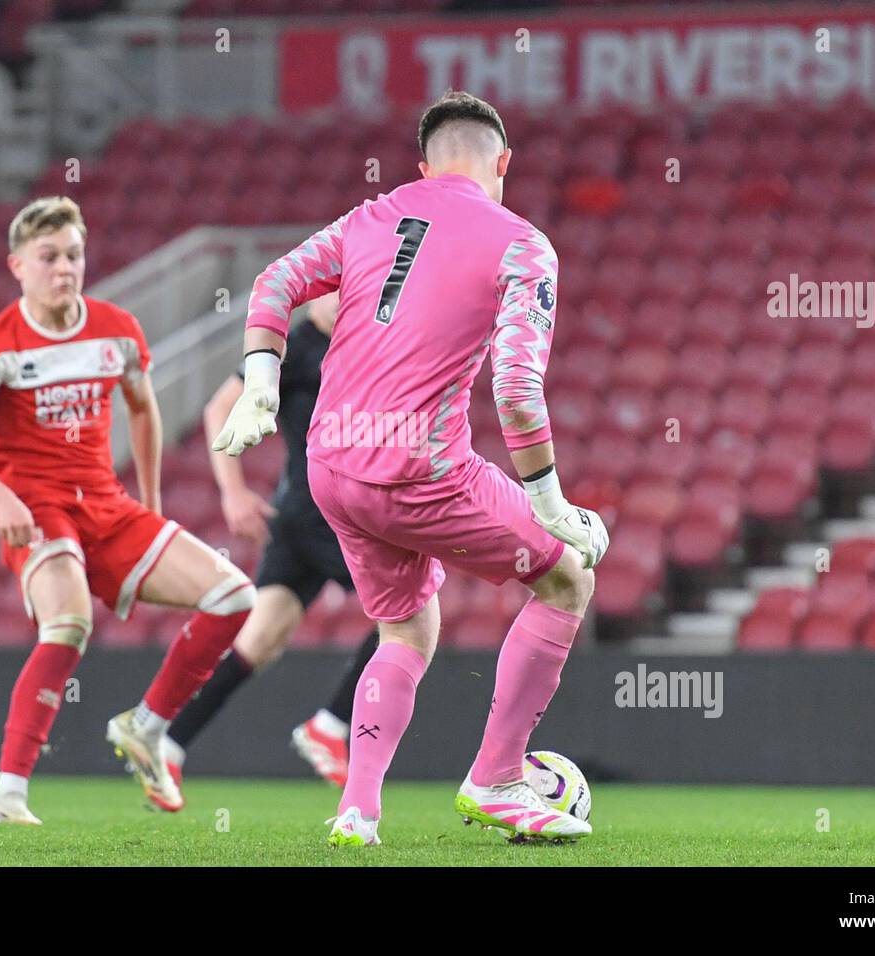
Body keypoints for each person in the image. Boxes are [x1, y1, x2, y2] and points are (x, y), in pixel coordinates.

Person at [213, 91, 610, 847]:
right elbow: (518, 390)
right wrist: (553, 506)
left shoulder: (369, 217)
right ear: (504, 164)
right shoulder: (522, 244)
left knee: (405, 628)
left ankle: (358, 811)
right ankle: (496, 779)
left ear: (424, 166)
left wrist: (262, 381)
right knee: (568, 579)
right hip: (420, 468)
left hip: (329, 466)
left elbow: (272, 284)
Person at [0, 196, 255, 824]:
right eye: (48, 257)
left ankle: (147, 726)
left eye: (74, 254)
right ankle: (7, 796)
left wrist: (154, 508)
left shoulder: (117, 329)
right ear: (17, 266)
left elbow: (143, 409)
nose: (64, 268)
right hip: (36, 507)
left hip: (106, 505)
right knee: (70, 621)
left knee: (235, 597)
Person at [163, 291, 379, 790]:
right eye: (332, 285)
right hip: (319, 512)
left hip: (300, 515)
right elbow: (220, 408)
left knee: (259, 640)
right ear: (311, 295)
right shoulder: (295, 348)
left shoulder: (357, 342)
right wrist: (233, 492)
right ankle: (330, 726)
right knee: (410, 609)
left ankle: (168, 738)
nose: (344, 294)